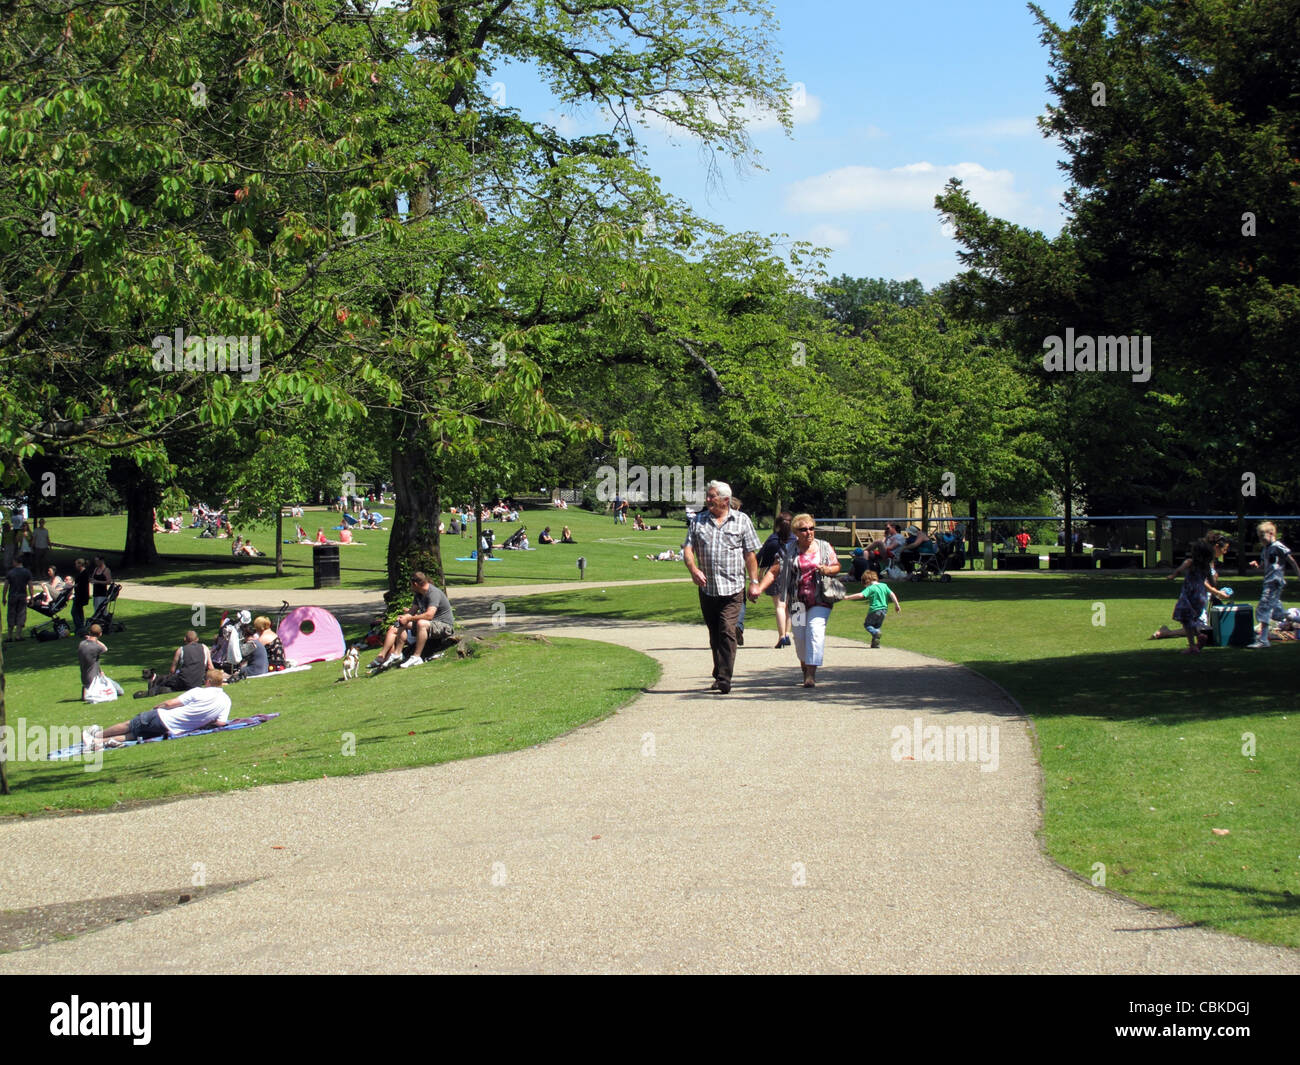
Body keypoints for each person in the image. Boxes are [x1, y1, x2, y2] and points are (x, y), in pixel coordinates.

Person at [683, 481, 760, 695]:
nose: (707, 500)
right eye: (707, 496)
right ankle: (719, 672)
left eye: (712, 496)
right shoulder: (698, 521)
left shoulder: (742, 521)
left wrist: (754, 582)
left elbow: (750, 554)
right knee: (714, 634)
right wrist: (694, 570)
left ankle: (725, 677)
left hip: (733, 588)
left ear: (725, 500)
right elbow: (688, 549)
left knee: (727, 630)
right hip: (708, 589)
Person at [753, 513, 840, 688]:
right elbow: (773, 572)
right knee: (800, 637)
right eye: (803, 529)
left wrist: (827, 570)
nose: (808, 532)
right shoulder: (787, 550)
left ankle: (811, 674)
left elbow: (837, 566)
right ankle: (804, 667)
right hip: (798, 602)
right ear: (796, 532)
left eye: (811, 528)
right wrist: (759, 588)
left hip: (820, 599)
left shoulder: (824, 547)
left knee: (815, 632)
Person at [85, 669, 231, 749]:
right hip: (172, 729)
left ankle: (97, 735)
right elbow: (221, 723)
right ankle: (99, 743)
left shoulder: (199, 691)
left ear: (208, 682)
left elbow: (171, 703)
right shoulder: (226, 700)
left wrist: (157, 706)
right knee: (132, 736)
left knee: (130, 724)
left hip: (163, 717)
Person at [1152, 534, 1231, 643]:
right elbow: (1202, 582)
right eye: (1224, 549)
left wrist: (1216, 593)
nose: (1225, 552)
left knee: (1196, 625)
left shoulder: (1209, 563)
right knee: (1199, 627)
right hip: (1195, 598)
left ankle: (1192, 643)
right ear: (1216, 546)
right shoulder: (1200, 563)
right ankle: (1167, 632)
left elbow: (1209, 581)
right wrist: (1217, 592)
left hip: (1202, 598)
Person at [369, 572, 456, 671]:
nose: (410, 587)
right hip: (430, 624)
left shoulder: (433, 593)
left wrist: (409, 618)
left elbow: (429, 615)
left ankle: (416, 657)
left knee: (421, 623)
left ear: (415, 584)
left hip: (444, 626)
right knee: (402, 622)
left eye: (410, 584)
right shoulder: (419, 594)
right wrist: (404, 617)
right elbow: (412, 612)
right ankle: (397, 654)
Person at [1248, 521, 1300, 647]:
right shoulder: (1265, 549)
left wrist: (1299, 574)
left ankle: (1263, 640)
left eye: (1262, 536)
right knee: (1278, 614)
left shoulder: (1278, 546)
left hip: (1274, 582)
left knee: (1263, 608)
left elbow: (1291, 561)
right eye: (1259, 537)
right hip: (1268, 582)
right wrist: (1257, 565)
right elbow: (1264, 566)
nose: (1261, 539)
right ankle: (1296, 617)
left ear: (1271, 534)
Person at [756, 511, 795, 649]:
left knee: (780, 606)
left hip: (776, 574)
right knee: (789, 606)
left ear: (777, 524)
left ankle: (781, 636)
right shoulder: (795, 539)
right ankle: (788, 633)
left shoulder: (772, 540)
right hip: (793, 574)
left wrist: (760, 574)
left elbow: (763, 558)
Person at [137, 630, 213, 698]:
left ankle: (151, 691)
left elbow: (172, 670)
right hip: (198, 681)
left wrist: (168, 678)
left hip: (183, 681)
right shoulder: (204, 648)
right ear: (197, 639)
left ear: (185, 639)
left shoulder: (181, 650)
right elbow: (210, 667)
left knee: (165, 682)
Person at [845, 570, 902, 648]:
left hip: (874, 610)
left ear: (867, 581)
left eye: (864, 584)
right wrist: (897, 605)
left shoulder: (871, 588)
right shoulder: (884, 585)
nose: (865, 586)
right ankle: (875, 644)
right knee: (877, 626)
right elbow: (892, 594)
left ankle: (875, 633)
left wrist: (848, 597)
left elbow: (861, 595)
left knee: (867, 625)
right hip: (884, 610)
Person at [78, 623, 124, 700]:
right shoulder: (97, 647)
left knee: (89, 684)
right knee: (120, 691)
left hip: (85, 678)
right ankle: (90, 692)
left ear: (90, 632)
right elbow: (105, 648)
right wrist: (96, 640)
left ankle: (87, 690)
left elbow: (93, 660)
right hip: (95, 678)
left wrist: (100, 670)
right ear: (100, 634)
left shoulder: (81, 644)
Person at [4, 560, 33, 642]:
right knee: (21, 615)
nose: (12, 563)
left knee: (11, 615)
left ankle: (9, 636)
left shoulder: (10, 572)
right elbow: (30, 586)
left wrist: (4, 597)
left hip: (12, 596)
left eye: (13, 562)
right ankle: (18, 635)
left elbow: (6, 586)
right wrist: (32, 597)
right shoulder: (27, 572)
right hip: (22, 596)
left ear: (17, 562)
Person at [71, 557, 90, 634]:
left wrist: (75, 586)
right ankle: (81, 626)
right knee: (79, 611)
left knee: (74, 612)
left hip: (80, 596)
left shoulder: (84, 573)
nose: (75, 566)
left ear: (80, 564)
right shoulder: (81, 573)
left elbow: (82, 585)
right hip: (79, 595)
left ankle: (80, 627)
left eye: (76, 564)